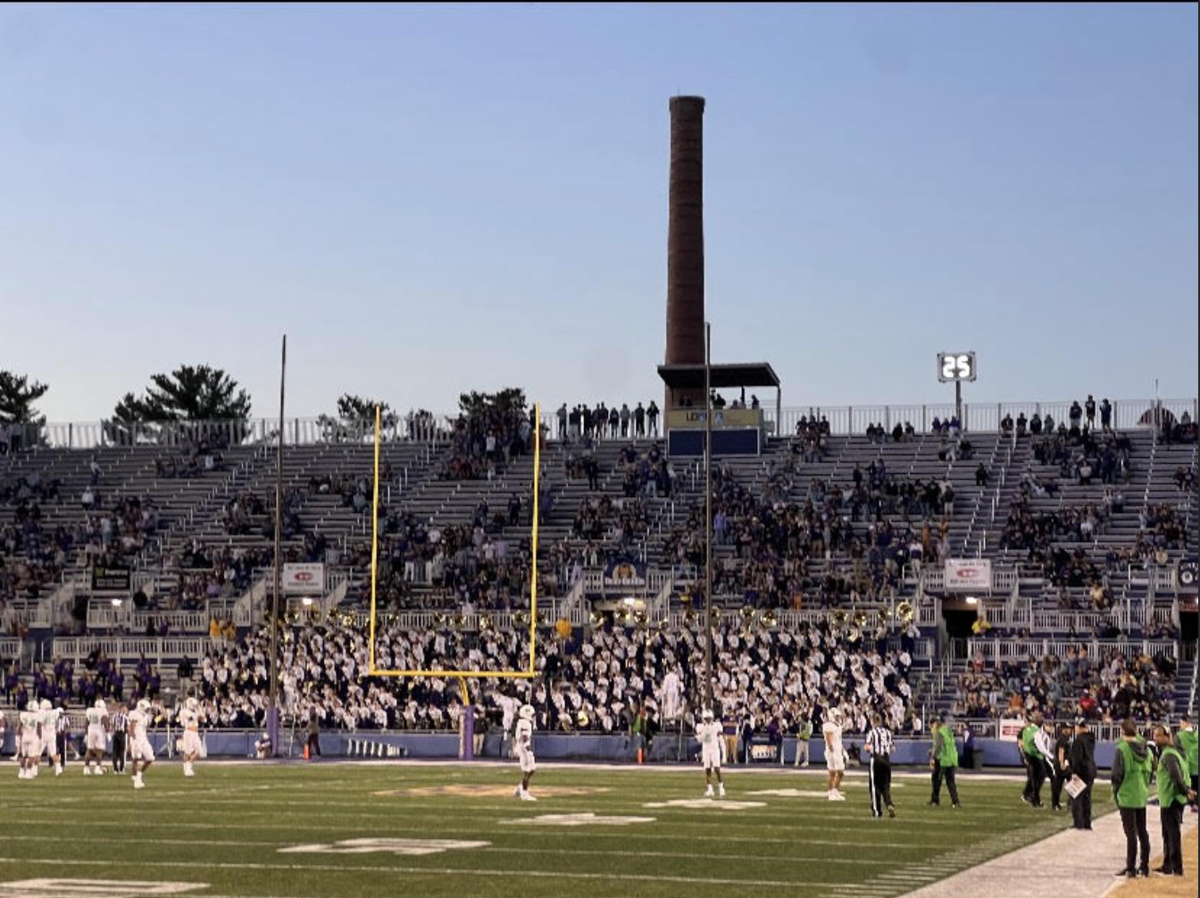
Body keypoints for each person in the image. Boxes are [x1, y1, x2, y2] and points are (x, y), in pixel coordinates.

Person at [1111, 718, 1152, 879]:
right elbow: (1149, 770)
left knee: (1131, 834)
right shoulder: (1145, 748)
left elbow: (1116, 774)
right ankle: (1144, 866)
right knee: (1142, 831)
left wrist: (1116, 790)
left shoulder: (1122, 749)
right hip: (1141, 793)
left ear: (1122, 731)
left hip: (1127, 794)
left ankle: (1131, 867)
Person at [1153, 725, 1195, 877]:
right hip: (1171, 799)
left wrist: (1186, 791)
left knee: (1172, 834)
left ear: (1167, 736)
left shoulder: (1169, 755)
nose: (1155, 739)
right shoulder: (1174, 752)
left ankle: (1176, 868)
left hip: (1171, 799)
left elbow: (1175, 776)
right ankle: (1168, 865)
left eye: (1158, 736)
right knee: (1168, 834)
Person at [863, 713, 896, 818]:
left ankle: (877, 811)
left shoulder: (872, 733)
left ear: (873, 721)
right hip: (886, 759)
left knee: (874, 786)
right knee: (885, 785)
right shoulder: (887, 732)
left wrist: (870, 749)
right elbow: (893, 748)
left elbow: (867, 747)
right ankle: (889, 803)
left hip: (876, 759)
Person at [1066, 718, 1097, 830]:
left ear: (1079, 727)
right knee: (1087, 798)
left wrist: (1074, 772)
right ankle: (1087, 823)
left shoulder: (1078, 741)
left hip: (1080, 773)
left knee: (1076, 798)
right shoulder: (1091, 740)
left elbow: (1076, 759)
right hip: (1090, 771)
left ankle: (1078, 823)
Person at [929, 716, 961, 808]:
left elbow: (939, 745)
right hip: (952, 757)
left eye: (931, 726)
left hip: (943, 759)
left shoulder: (939, 732)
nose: (932, 729)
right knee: (950, 781)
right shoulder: (947, 730)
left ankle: (935, 801)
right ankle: (955, 801)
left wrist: (933, 757)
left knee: (936, 780)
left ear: (934, 724)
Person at [1019, 711, 1047, 808]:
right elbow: (1024, 744)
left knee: (1036, 777)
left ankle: (1030, 795)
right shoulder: (1029, 730)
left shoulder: (1033, 729)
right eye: (1037, 717)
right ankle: (1032, 797)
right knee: (1035, 778)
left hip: (1035, 756)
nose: (1040, 718)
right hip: (1033, 756)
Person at [697, 708, 726, 798]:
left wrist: (724, 753)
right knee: (707, 769)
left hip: (715, 749)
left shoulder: (717, 725)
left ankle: (721, 787)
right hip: (706, 749)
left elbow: (720, 737)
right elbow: (702, 739)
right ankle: (710, 789)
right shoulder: (700, 726)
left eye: (709, 718)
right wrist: (703, 733)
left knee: (717, 768)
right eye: (706, 718)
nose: (708, 720)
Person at [127, 698, 155, 790]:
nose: (147, 710)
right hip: (136, 739)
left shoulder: (144, 716)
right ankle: (136, 779)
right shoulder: (134, 714)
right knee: (136, 759)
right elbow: (131, 728)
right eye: (146, 708)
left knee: (150, 758)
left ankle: (139, 774)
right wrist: (132, 741)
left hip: (143, 738)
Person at [513, 704, 537, 801]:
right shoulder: (524, 723)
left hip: (523, 747)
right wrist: (528, 748)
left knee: (532, 769)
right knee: (527, 770)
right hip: (524, 748)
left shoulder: (523, 722)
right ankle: (524, 793)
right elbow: (524, 737)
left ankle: (520, 787)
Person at [823, 708, 846, 801]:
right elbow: (829, 738)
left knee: (832, 773)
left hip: (836, 750)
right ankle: (834, 791)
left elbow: (839, 740)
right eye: (836, 716)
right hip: (833, 751)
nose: (838, 718)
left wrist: (842, 750)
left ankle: (832, 791)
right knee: (839, 772)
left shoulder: (837, 726)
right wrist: (832, 750)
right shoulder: (828, 725)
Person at [1176, 718, 1198, 812]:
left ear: (1185, 723)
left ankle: (1192, 804)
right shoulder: (1197, 735)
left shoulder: (1179, 736)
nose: (1180, 725)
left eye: (1181, 722)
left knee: (1187, 787)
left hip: (1186, 766)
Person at [83, 698, 109, 775]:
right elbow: (105, 720)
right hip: (99, 731)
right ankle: (97, 767)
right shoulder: (103, 711)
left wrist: (86, 734)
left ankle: (86, 768)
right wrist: (108, 732)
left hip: (91, 730)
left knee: (89, 749)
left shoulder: (89, 710)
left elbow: (86, 723)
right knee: (99, 750)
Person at [178, 696, 203, 777]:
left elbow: (203, 718)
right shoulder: (184, 711)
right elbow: (183, 723)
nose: (195, 706)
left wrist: (200, 708)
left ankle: (188, 767)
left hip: (195, 732)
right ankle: (187, 769)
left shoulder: (196, 711)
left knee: (199, 752)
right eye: (194, 705)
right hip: (189, 732)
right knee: (187, 752)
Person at [17, 698, 40, 780]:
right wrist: (40, 738)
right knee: (31, 756)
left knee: (23, 755)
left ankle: (21, 772)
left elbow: (19, 728)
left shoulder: (23, 714)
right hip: (33, 737)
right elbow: (39, 729)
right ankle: (28, 773)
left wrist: (19, 736)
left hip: (24, 736)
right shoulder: (37, 715)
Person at [1051, 721, 1072, 811]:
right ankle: (1055, 803)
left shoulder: (1066, 738)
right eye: (1067, 728)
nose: (1069, 730)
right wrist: (1062, 764)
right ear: (1063, 729)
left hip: (1066, 764)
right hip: (1061, 765)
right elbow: (1061, 752)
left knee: (1072, 783)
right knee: (1058, 785)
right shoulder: (1062, 739)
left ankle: (1071, 802)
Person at [40, 700, 63, 777]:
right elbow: (59, 718)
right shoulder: (54, 712)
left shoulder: (41, 712)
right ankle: (58, 767)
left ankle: (33, 769)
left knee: (37, 753)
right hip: (52, 734)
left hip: (43, 734)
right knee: (53, 753)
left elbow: (40, 723)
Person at [111, 703, 128, 775]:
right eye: (125, 708)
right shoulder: (125, 717)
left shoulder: (114, 716)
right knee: (122, 752)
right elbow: (127, 727)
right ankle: (121, 769)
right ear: (122, 709)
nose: (126, 710)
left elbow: (112, 725)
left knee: (114, 752)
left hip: (115, 734)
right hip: (121, 734)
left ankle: (115, 769)